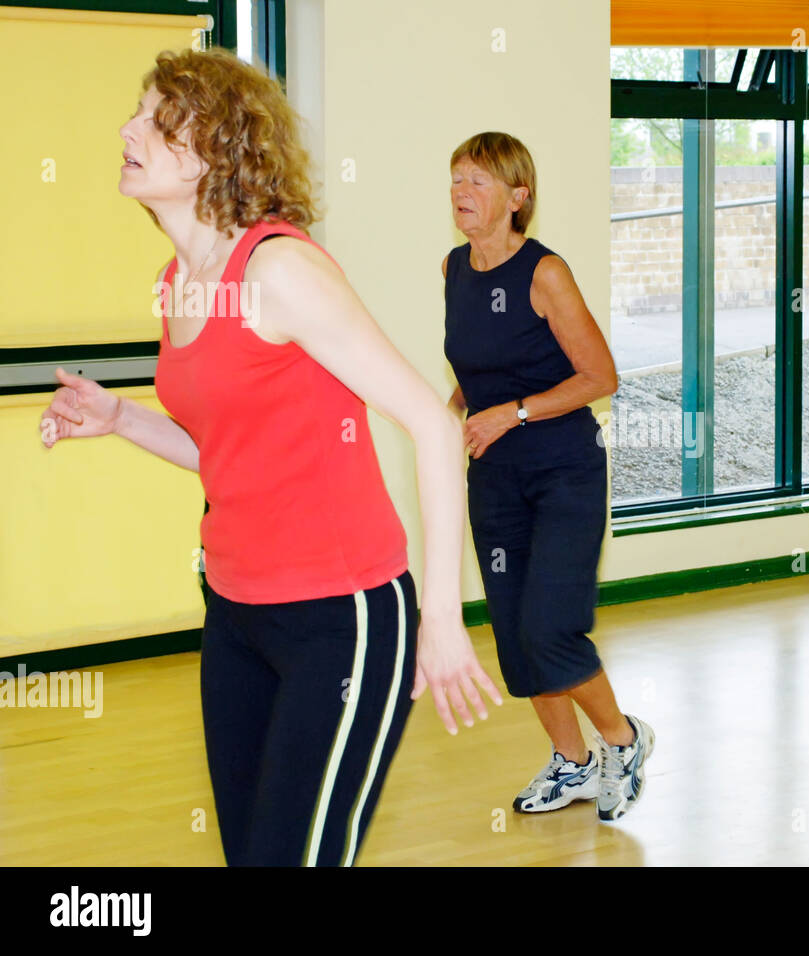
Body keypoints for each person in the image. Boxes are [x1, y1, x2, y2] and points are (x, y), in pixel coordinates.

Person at [38, 47, 501, 865]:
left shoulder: (280, 268)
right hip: (235, 614)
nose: (127, 128)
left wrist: (444, 621)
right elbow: (224, 450)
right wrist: (119, 418)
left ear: (215, 147)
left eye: (155, 117)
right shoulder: (176, 283)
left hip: (343, 619)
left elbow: (431, 425)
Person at [442, 132, 654, 819]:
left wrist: (512, 412)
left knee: (551, 627)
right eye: (455, 181)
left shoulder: (545, 273)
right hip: (494, 478)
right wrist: (450, 414)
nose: (461, 194)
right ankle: (572, 762)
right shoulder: (453, 269)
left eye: (476, 182)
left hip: (563, 472)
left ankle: (623, 740)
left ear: (517, 196)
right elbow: (473, 367)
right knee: (514, 630)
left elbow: (601, 377)